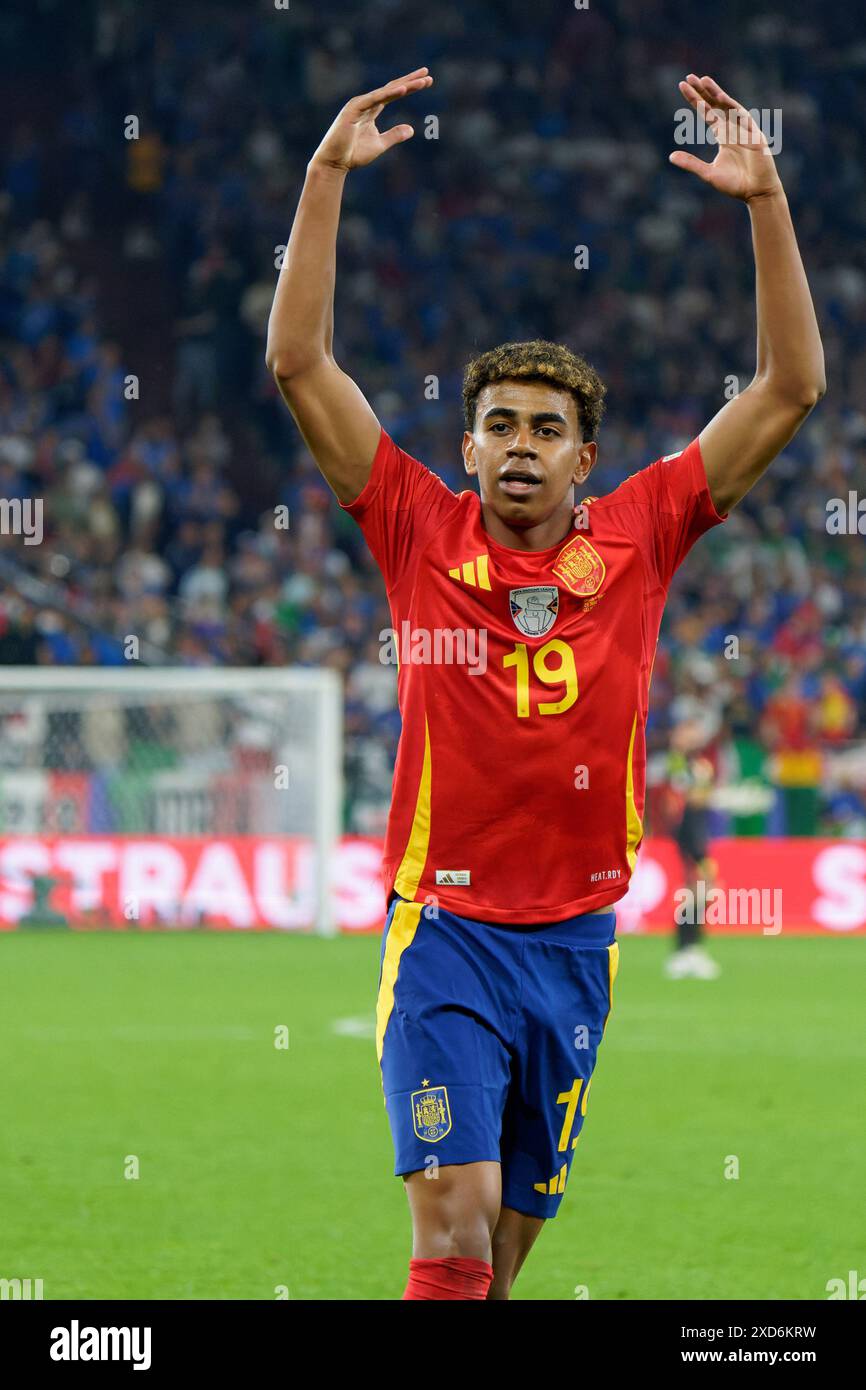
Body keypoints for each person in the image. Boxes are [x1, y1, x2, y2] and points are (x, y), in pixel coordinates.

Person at [265, 67, 825, 1300]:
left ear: (585, 453)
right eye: (499, 425)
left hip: (576, 939)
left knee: (502, 1257)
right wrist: (322, 180)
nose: (520, 445)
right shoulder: (413, 524)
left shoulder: (645, 530)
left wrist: (765, 202)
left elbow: (788, 388)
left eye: (544, 428)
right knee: (452, 1232)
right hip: (445, 933)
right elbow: (299, 360)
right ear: (464, 447)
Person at [665, 718, 721, 980]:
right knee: (696, 890)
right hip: (687, 834)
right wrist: (704, 787)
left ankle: (691, 949)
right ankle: (684, 951)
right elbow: (688, 797)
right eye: (687, 731)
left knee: (703, 891)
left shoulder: (699, 764)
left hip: (698, 833)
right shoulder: (678, 763)